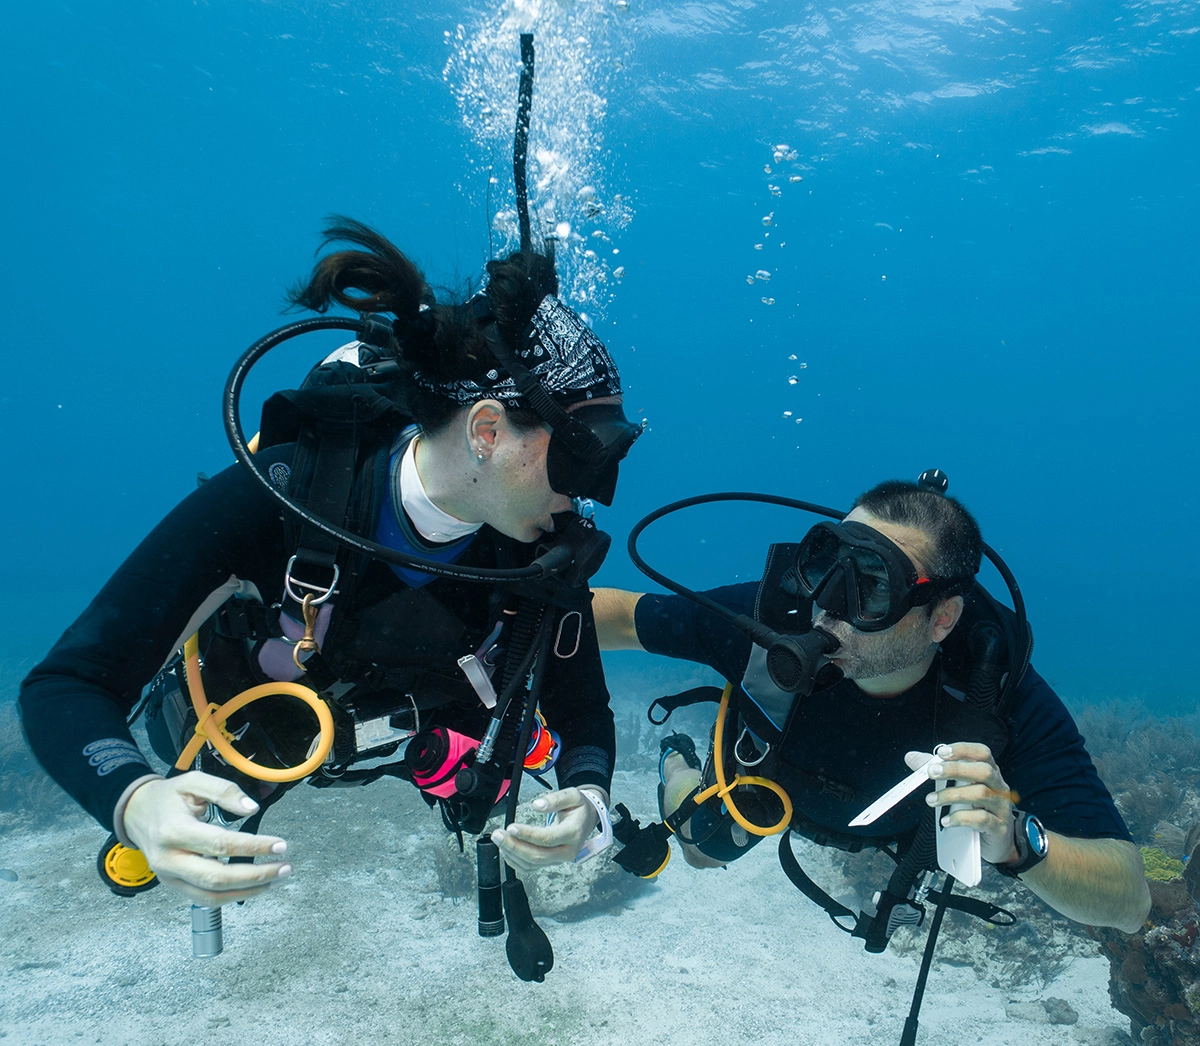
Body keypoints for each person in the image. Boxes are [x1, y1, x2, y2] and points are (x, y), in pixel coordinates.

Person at [19, 218, 642, 913]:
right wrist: (132, 798)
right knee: (164, 846)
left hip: (417, 720)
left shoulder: (538, 554)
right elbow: (67, 682)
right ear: (487, 431)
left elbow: (582, 705)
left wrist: (589, 794)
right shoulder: (286, 494)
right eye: (581, 455)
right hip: (261, 717)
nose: (592, 493)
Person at [593, 478, 1150, 936]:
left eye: (873, 587)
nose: (828, 607)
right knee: (701, 851)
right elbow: (617, 615)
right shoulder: (773, 620)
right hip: (771, 786)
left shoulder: (998, 694)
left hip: (899, 834)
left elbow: (1130, 900)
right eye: (827, 566)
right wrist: (511, 611)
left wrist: (1018, 841)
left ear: (942, 618)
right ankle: (676, 758)